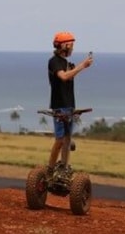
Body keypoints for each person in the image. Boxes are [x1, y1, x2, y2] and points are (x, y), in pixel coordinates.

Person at [47, 30, 93, 171]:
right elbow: (64, 77)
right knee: (60, 139)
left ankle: (64, 167)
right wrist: (82, 66)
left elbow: (68, 78)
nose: (72, 48)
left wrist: (77, 69)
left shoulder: (64, 62)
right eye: (70, 45)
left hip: (69, 105)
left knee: (67, 139)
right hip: (60, 105)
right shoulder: (54, 62)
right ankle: (50, 168)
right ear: (63, 46)